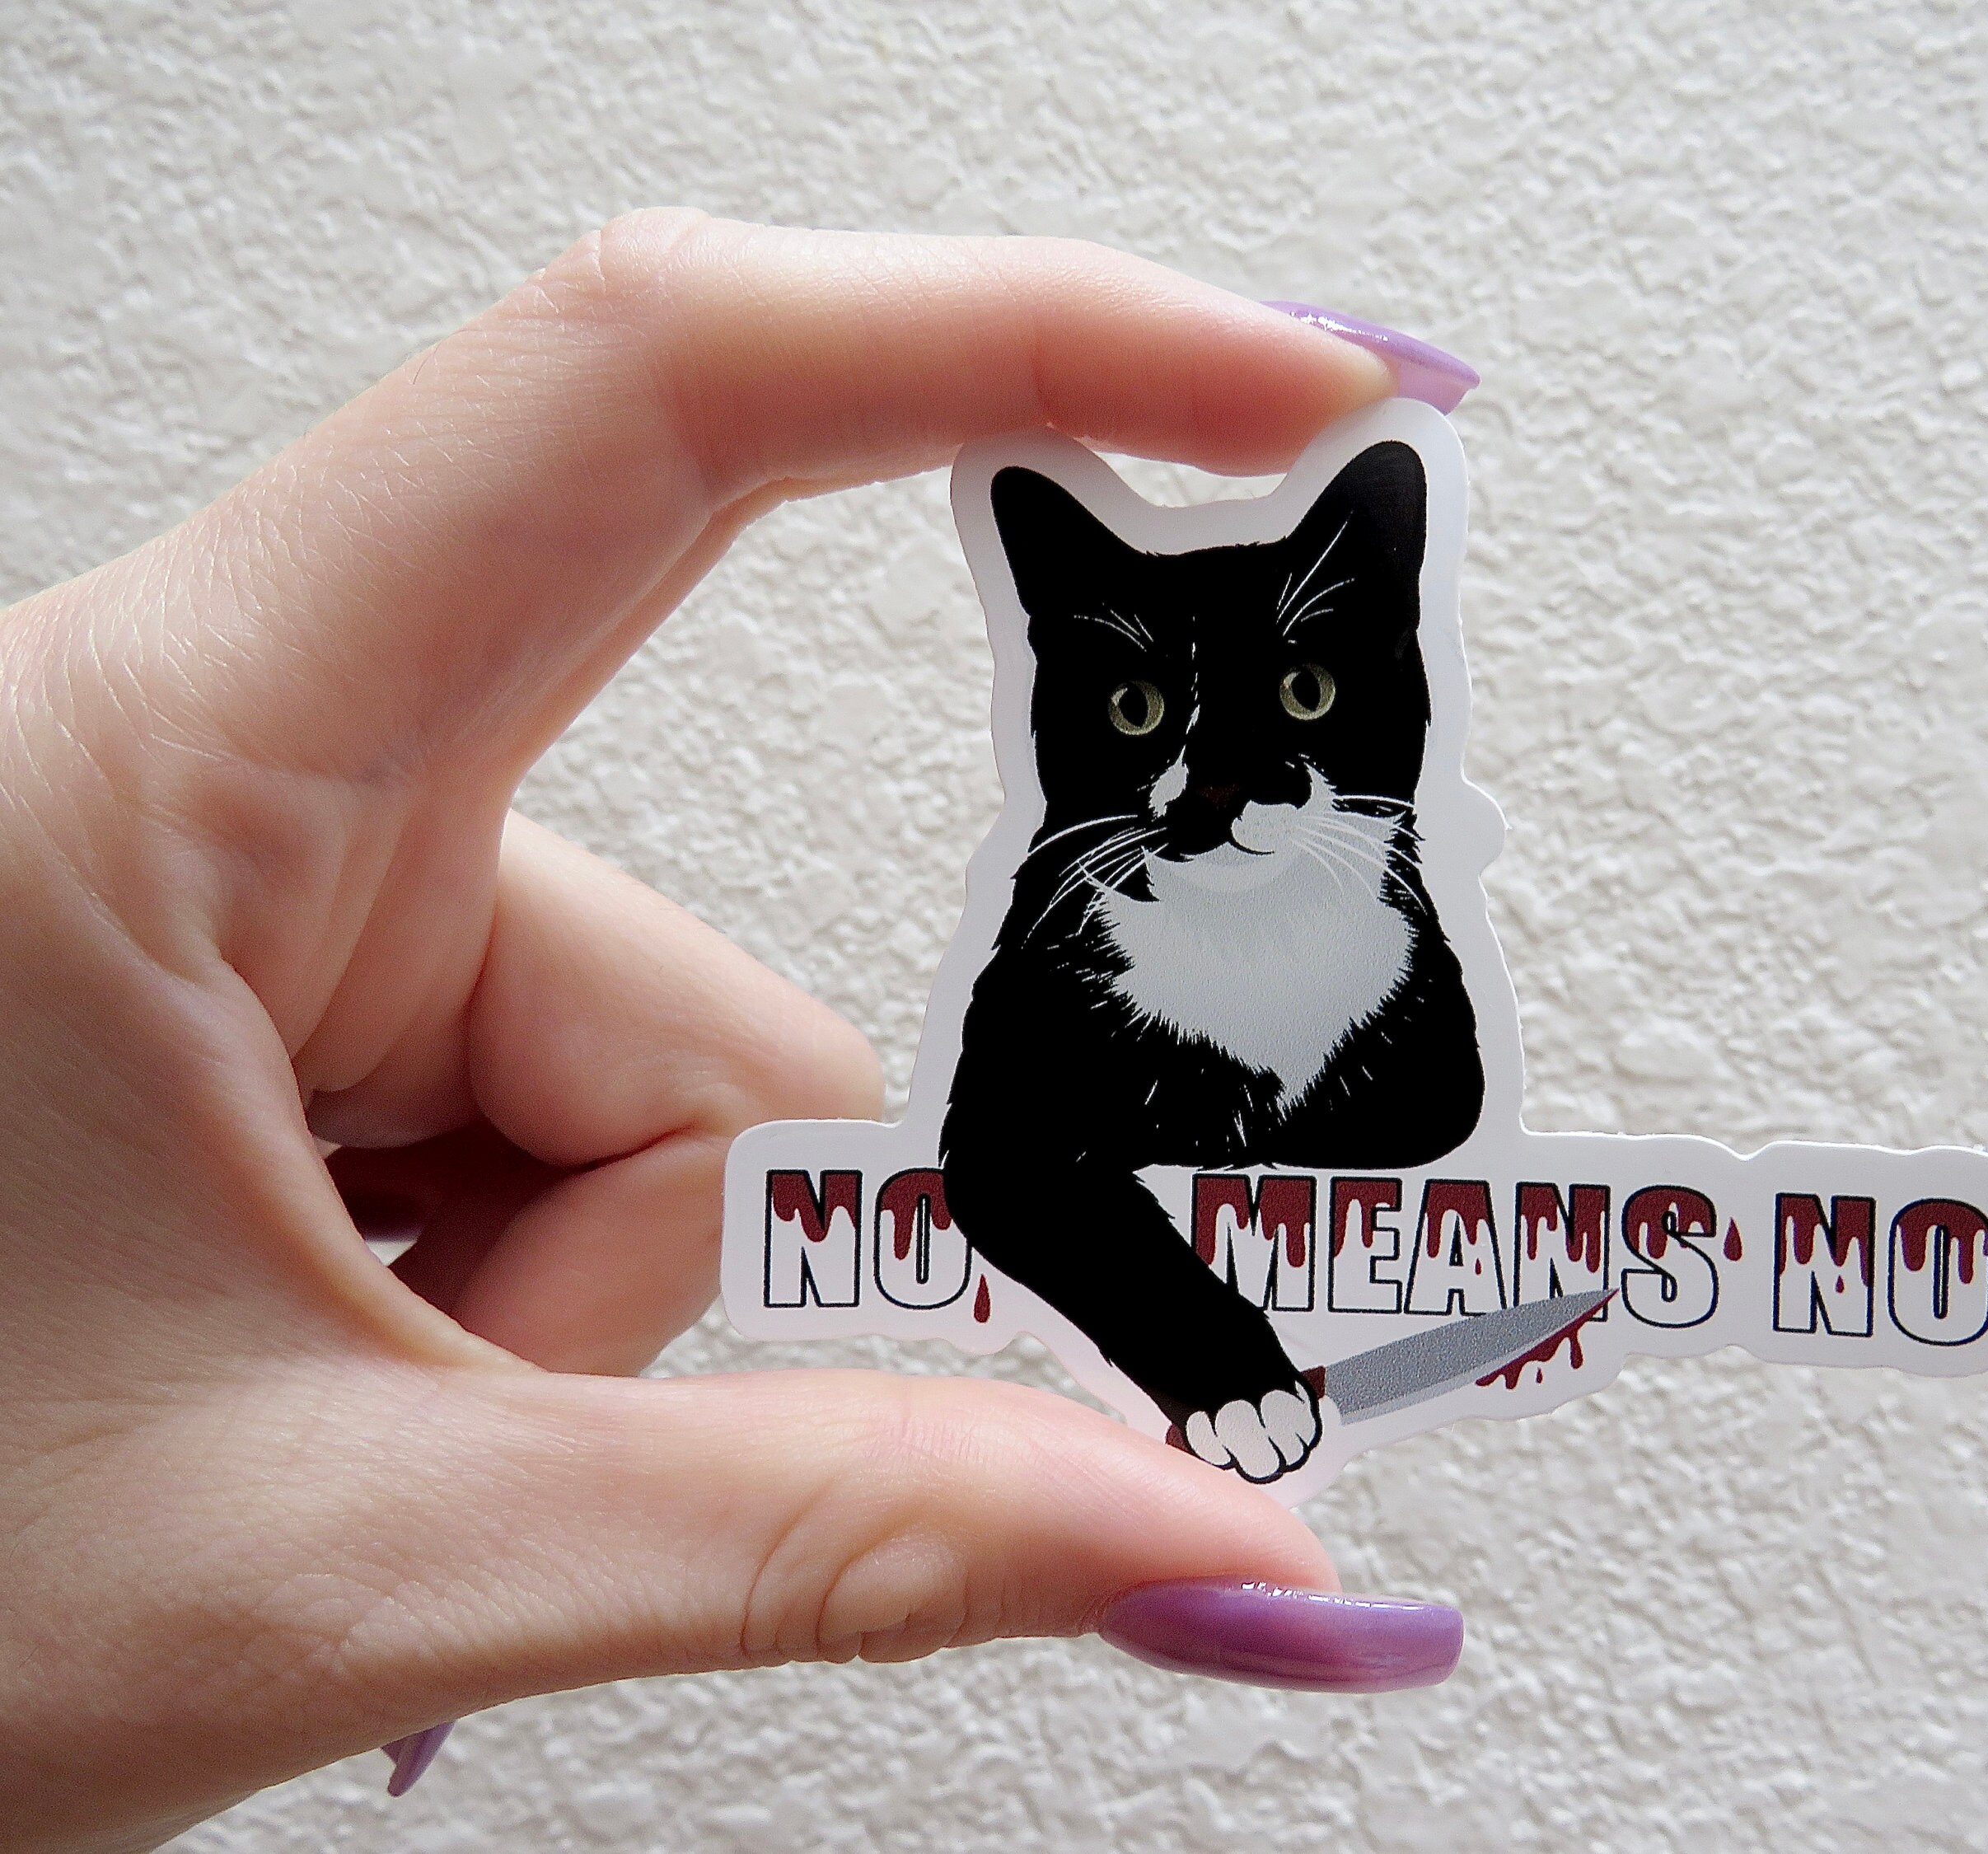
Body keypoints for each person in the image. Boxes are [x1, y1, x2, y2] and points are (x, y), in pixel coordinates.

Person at [0, 216, 1476, 1852]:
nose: (1226, 776)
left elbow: (1438, 1121)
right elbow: (1004, 1173)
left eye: (1304, 700)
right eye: (1138, 712)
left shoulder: (1405, 974)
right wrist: (1211, 1344)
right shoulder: (1070, 981)